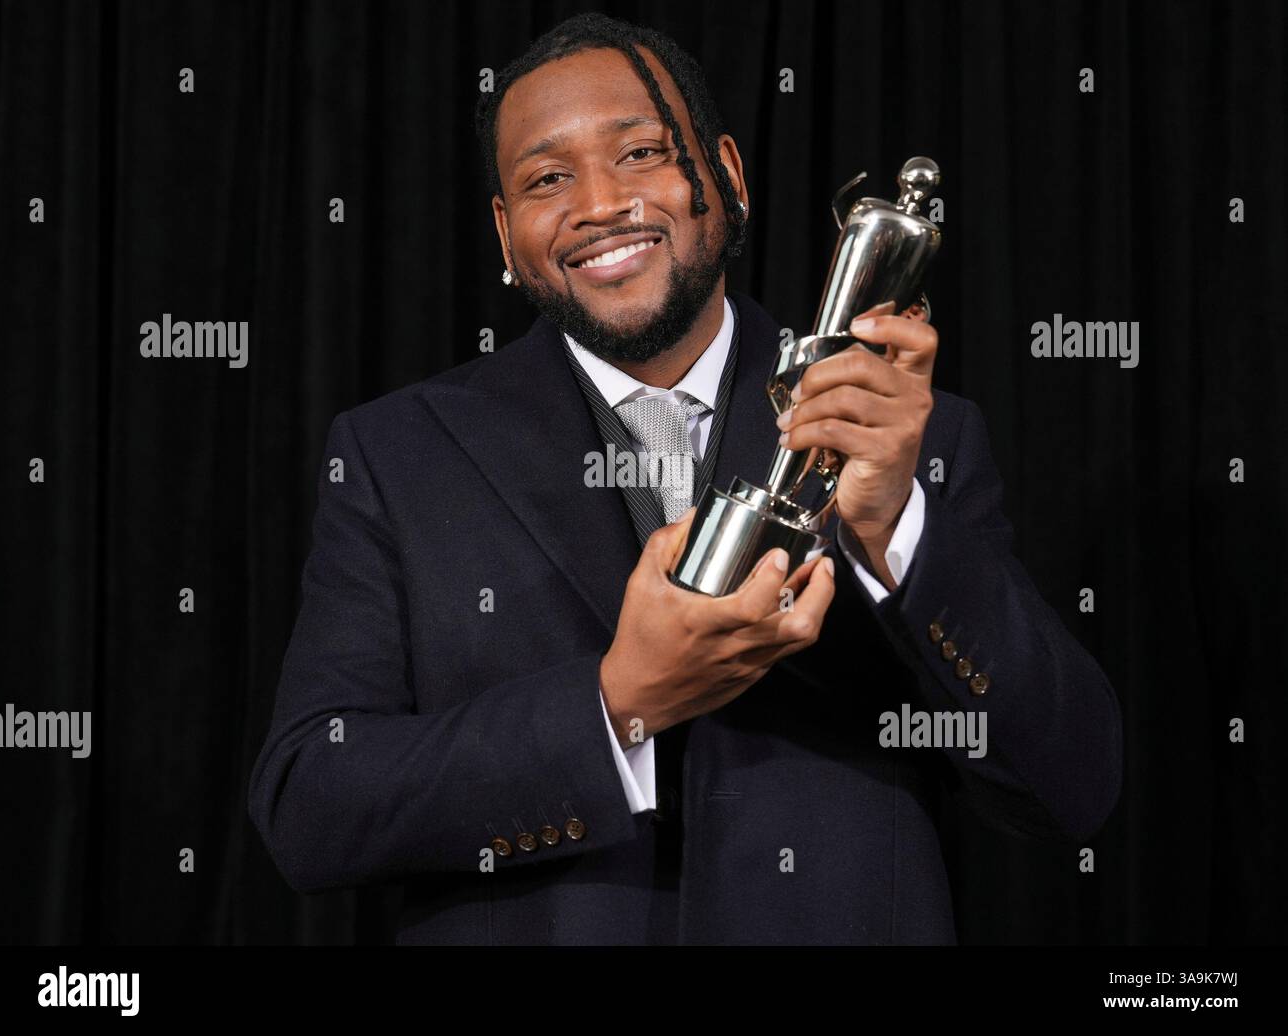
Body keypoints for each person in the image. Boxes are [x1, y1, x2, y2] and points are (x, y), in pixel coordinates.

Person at [248, 12, 1122, 945]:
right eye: (548, 179)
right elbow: (310, 806)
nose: (598, 204)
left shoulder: (916, 439)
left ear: (728, 178)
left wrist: (895, 526)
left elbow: (1072, 785)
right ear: (507, 236)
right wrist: (615, 704)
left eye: (640, 153)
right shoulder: (397, 455)